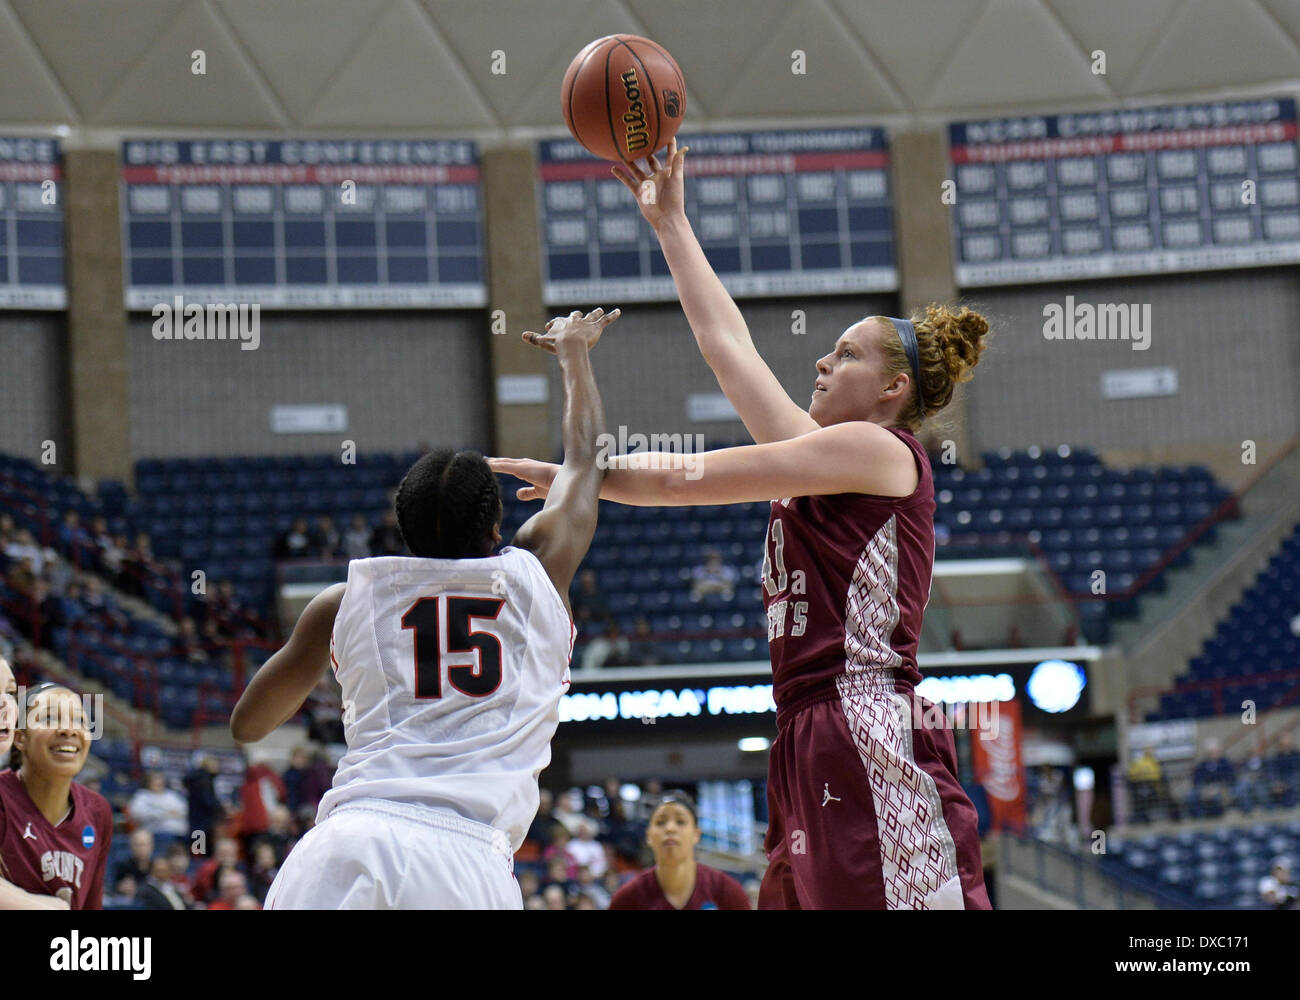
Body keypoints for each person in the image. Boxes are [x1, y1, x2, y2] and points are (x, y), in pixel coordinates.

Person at [492, 139, 992, 910]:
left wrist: (579, 480)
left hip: (865, 717)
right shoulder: (824, 453)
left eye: (845, 354)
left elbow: (697, 476)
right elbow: (728, 349)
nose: (822, 364)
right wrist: (670, 226)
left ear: (893, 388)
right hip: (804, 724)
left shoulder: (881, 452)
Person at [231, 307, 619, 909]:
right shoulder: (537, 569)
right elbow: (587, 459)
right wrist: (574, 353)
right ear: (496, 525)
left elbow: (248, 724)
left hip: (343, 844)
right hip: (463, 860)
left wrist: (324, 655)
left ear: (403, 531)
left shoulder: (341, 601)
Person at [0, 680, 113, 908]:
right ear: (20, 738)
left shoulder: (98, 811)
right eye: (49, 718)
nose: (69, 729)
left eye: (80, 721)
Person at [608, 792, 750, 910]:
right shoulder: (626, 899)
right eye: (660, 822)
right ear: (649, 836)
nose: (670, 828)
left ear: (696, 834)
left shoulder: (728, 892)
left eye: (680, 821)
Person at [128, 771, 190, 837]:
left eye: (160, 782)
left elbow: (184, 809)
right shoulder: (142, 795)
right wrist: (163, 814)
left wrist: (171, 813)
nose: (158, 783)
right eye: (155, 781)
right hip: (153, 832)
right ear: (149, 783)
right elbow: (137, 813)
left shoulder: (171, 795)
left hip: (178, 832)